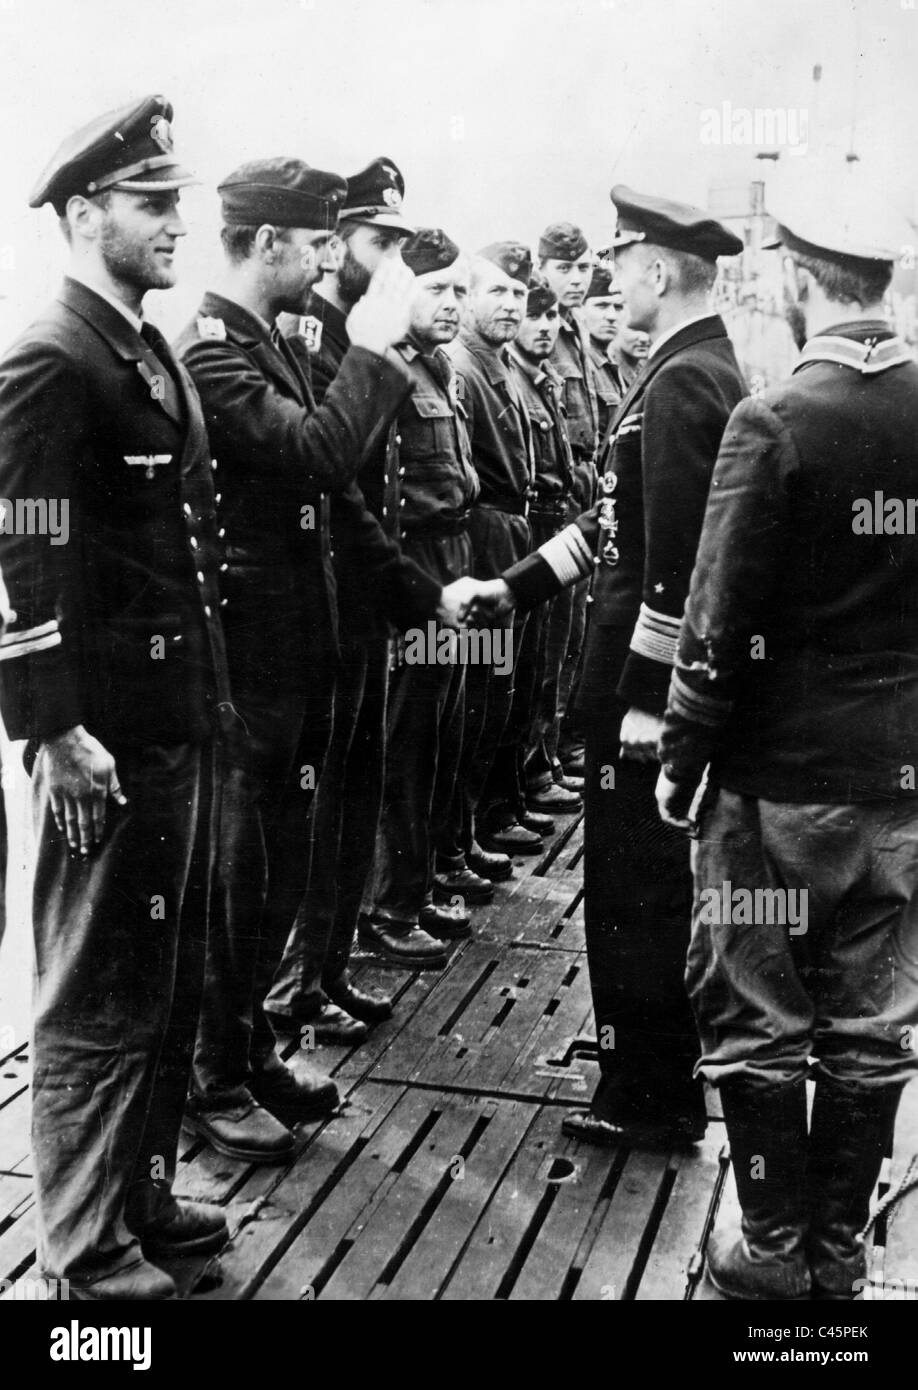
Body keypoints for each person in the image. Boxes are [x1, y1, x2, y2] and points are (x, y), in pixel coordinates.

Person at [656, 192, 918, 1301]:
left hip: (773, 803)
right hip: (898, 799)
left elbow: (715, 621)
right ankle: (841, 1249)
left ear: (805, 281)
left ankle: (769, 1247)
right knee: (872, 1021)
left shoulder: (771, 422)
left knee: (758, 1015)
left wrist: (681, 755)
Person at [176, 160, 457, 1162]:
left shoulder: (272, 346)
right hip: (250, 664)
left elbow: (339, 509)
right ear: (267, 245)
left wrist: (430, 596)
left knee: (283, 866)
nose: (330, 259)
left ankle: (251, 1047)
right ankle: (210, 1076)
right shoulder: (213, 353)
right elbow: (316, 458)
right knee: (236, 873)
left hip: (307, 654)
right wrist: (377, 349)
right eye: (315, 242)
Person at [0, 95, 229, 1299]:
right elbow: (24, 549)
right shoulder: (53, 356)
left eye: (178, 201)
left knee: (164, 975)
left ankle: (136, 1201)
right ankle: (82, 1260)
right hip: (108, 742)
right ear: (87, 212)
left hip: (173, 727)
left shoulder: (140, 348)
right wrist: (54, 729)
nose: (177, 221)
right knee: (95, 994)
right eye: (153, 203)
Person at [470, 186, 745, 1148]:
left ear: (659, 272)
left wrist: (644, 701)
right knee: (638, 886)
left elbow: (675, 556)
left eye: (621, 264)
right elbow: (617, 524)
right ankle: (646, 1061)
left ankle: (648, 1093)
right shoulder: (690, 367)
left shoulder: (681, 382)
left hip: (636, 695)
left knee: (634, 892)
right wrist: (515, 588)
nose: (606, 279)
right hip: (635, 678)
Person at [265, 157, 417, 1043]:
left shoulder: (362, 329)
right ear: (337, 249)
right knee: (320, 800)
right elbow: (333, 475)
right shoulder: (320, 335)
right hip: (328, 601)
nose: (392, 259)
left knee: (356, 790)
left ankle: (321, 972)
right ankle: (291, 985)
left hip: (363, 601)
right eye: (378, 241)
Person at [361, 228, 481, 966]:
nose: (451, 303)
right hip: (412, 566)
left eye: (458, 289)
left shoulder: (439, 370)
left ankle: (420, 881)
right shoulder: (386, 371)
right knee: (404, 744)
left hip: (452, 551)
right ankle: (387, 909)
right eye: (435, 288)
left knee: (439, 732)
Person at [439, 242, 547, 871]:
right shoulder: (465, 366)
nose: (511, 304)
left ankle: (474, 827)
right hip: (479, 541)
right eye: (497, 292)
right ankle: (459, 838)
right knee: (476, 694)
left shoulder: (499, 365)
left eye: (517, 294)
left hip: (509, 532)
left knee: (498, 692)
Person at [507, 278, 578, 811]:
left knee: (550, 658)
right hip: (528, 526)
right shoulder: (507, 378)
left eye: (552, 315)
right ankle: (521, 781)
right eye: (535, 314)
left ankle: (539, 765)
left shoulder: (546, 380)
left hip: (558, 522)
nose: (545, 325)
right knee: (521, 666)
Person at [535, 221, 599, 792]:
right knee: (546, 649)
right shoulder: (540, 330)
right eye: (565, 268)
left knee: (567, 644)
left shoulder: (570, 329)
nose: (576, 279)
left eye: (583, 268)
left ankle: (548, 757)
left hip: (578, 499)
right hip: (551, 506)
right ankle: (537, 764)